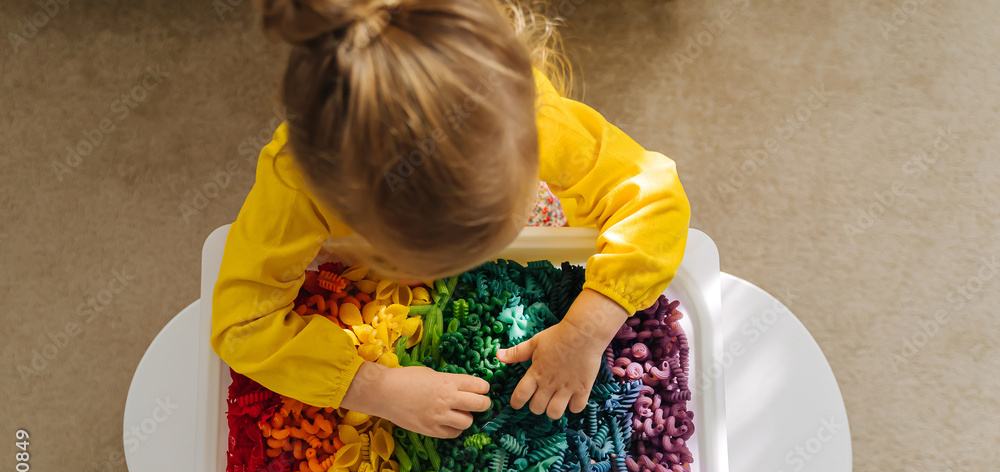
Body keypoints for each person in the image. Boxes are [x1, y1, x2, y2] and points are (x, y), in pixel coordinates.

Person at [211, 0, 691, 439]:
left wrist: (586, 328)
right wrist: (373, 387)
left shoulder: (524, 113)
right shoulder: (299, 182)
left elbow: (655, 197)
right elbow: (240, 323)